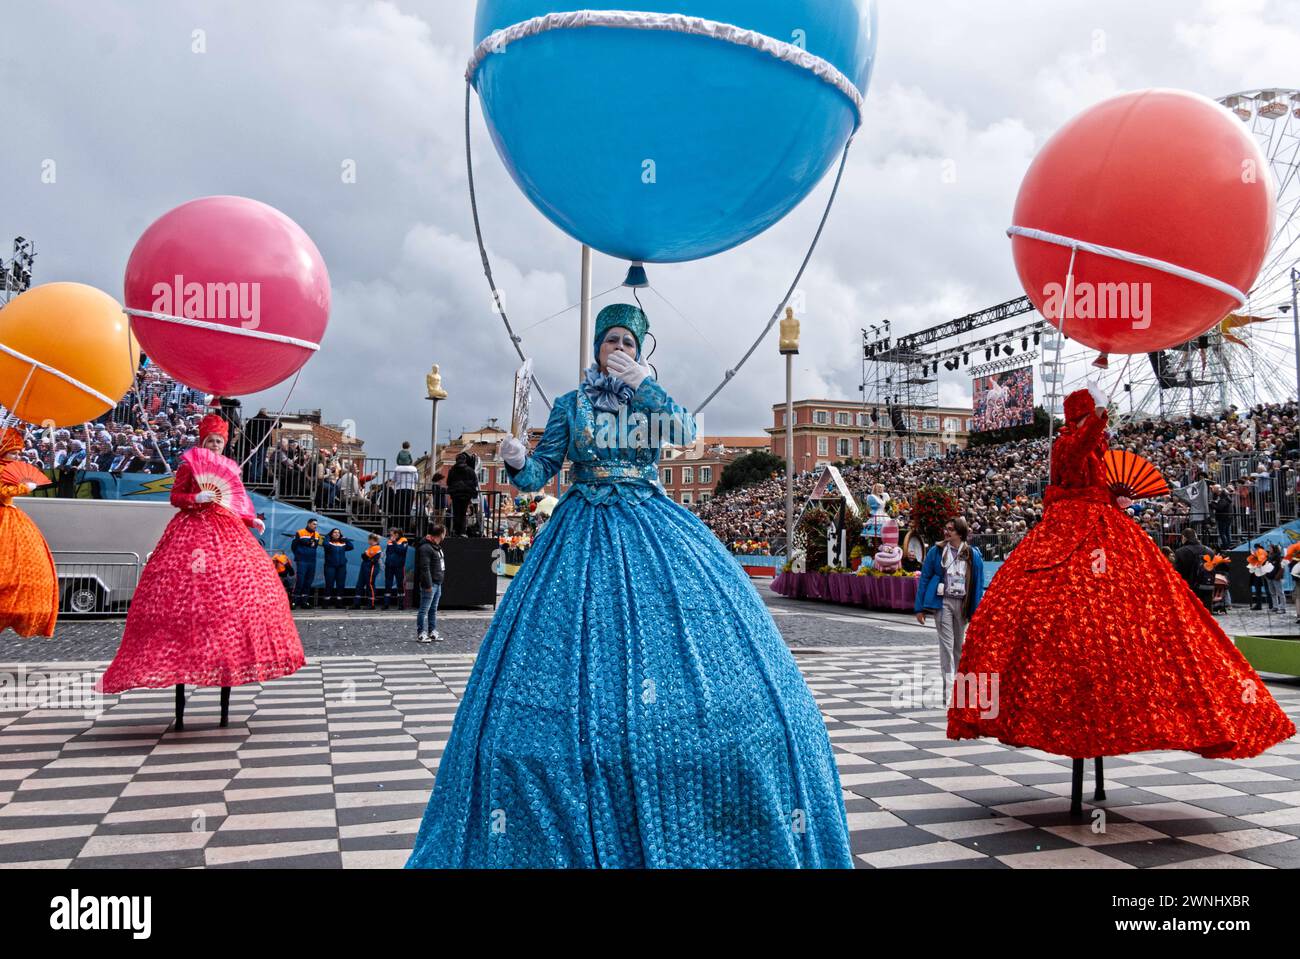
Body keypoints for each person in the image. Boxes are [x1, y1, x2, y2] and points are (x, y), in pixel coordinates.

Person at [407, 303, 851, 868]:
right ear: (594, 346)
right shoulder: (569, 405)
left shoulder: (649, 399)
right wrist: (517, 460)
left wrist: (645, 387)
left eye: (629, 341)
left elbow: (687, 435)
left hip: (652, 520)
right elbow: (538, 475)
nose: (618, 347)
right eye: (610, 339)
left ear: (641, 350)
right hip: (582, 526)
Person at [949, 386, 1295, 759]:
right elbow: (1080, 448)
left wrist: (1113, 496)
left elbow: (1090, 454)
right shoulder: (1068, 444)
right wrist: (1099, 413)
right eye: (1090, 418)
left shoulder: (1088, 447)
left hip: (1100, 524)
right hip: (1075, 528)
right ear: (1081, 418)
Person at [99, 414, 304, 730]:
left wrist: (252, 521)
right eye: (211, 441)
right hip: (192, 530)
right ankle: (182, 683)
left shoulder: (227, 470)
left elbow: (235, 504)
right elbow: (175, 498)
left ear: (224, 444)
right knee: (186, 586)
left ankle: (226, 667)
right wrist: (196, 498)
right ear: (203, 441)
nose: (215, 445)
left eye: (219, 441)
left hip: (227, 531)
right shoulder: (188, 467)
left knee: (236, 587)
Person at [915, 516, 985, 704]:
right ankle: (949, 691)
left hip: (962, 603)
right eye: (946, 528)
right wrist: (919, 607)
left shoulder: (972, 554)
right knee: (946, 646)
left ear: (960, 533)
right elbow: (924, 578)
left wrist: (976, 611)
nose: (946, 532)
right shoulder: (937, 551)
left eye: (951, 529)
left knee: (958, 648)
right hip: (943, 601)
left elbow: (978, 583)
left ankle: (961, 689)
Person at [0, 426, 58, 637]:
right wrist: (24, 488)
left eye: (18, 453)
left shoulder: (8, 467)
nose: (16, 456)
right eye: (13, 452)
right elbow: (2, 491)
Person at [1172, 527, 1214, 614]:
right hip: (1207, 586)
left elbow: (1177, 572)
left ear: (1184, 537)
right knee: (1206, 615)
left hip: (1190, 588)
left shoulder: (1181, 552)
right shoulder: (1209, 551)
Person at [416, 525, 446, 644]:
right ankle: (421, 633)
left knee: (433, 609)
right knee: (424, 609)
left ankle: (432, 631)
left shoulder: (435, 547)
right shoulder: (426, 548)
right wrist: (428, 585)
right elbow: (425, 568)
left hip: (437, 582)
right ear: (440, 534)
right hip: (431, 584)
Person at [287, 519, 322, 609]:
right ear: (308, 524)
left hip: (312, 561)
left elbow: (315, 546)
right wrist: (299, 554)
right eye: (314, 524)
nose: (315, 526)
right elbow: (293, 546)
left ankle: (304, 602)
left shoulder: (317, 535)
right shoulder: (300, 532)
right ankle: (294, 602)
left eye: (316, 524)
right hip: (302, 560)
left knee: (308, 581)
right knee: (300, 581)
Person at [447, 452, 479, 536]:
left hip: (455, 494)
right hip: (466, 493)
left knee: (456, 512)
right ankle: (462, 532)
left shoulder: (452, 470)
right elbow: (475, 482)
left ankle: (456, 531)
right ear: (465, 460)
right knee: (463, 512)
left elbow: (448, 482)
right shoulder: (470, 470)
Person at [322, 528, 354, 608]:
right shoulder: (328, 542)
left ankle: (339, 603)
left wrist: (346, 539)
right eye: (335, 532)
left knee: (341, 584)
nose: (337, 534)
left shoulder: (342, 543)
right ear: (331, 534)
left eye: (338, 533)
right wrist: (327, 537)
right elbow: (325, 544)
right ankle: (326, 603)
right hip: (330, 566)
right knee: (329, 584)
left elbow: (351, 547)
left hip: (341, 567)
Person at [382, 529, 410, 611]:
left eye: (392, 534)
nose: (390, 536)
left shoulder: (404, 540)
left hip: (399, 566)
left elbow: (401, 551)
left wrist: (394, 542)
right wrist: (387, 562)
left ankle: (401, 605)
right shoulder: (389, 541)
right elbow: (387, 552)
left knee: (400, 585)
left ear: (397, 534)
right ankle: (386, 604)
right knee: (388, 584)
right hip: (389, 566)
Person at [353, 534, 383, 610]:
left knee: (370, 585)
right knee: (359, 584)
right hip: (365, 566)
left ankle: (371, 604)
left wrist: (366, 557)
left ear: (373, 540)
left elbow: (364, 556)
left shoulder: (376, 548)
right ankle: (357, 604)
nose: (369, 541)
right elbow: (364, 556)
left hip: (370, 567)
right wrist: (366, 557)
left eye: (370, 539)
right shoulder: (371, 547)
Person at [1210, 483, 1233, 550]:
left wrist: (1211, 504)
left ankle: (1226, 547)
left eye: (1214, 490)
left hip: (1223, 518)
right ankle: (1228, 546)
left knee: (1223, 533)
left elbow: (1219, 507)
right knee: (1227, 532)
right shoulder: (1226, 497)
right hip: (1227, 517)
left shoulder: (1224, 498)